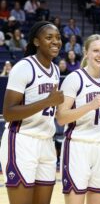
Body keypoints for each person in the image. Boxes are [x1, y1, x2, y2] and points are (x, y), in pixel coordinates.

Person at [0, 21, 64, 204]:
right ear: (36, 41)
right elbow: (9, 112)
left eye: (58, 38)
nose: (56, 42)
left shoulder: (55, 70)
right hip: (22, 141)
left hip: (46, 142)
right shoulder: (24, 67)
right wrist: (47, 102)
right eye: (49, 37)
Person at [56, 34, 100, 204]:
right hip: (78, 147)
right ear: (86, 53)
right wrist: (90, 105)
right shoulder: (75, 78)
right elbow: (61, 117)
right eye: (95, 51)